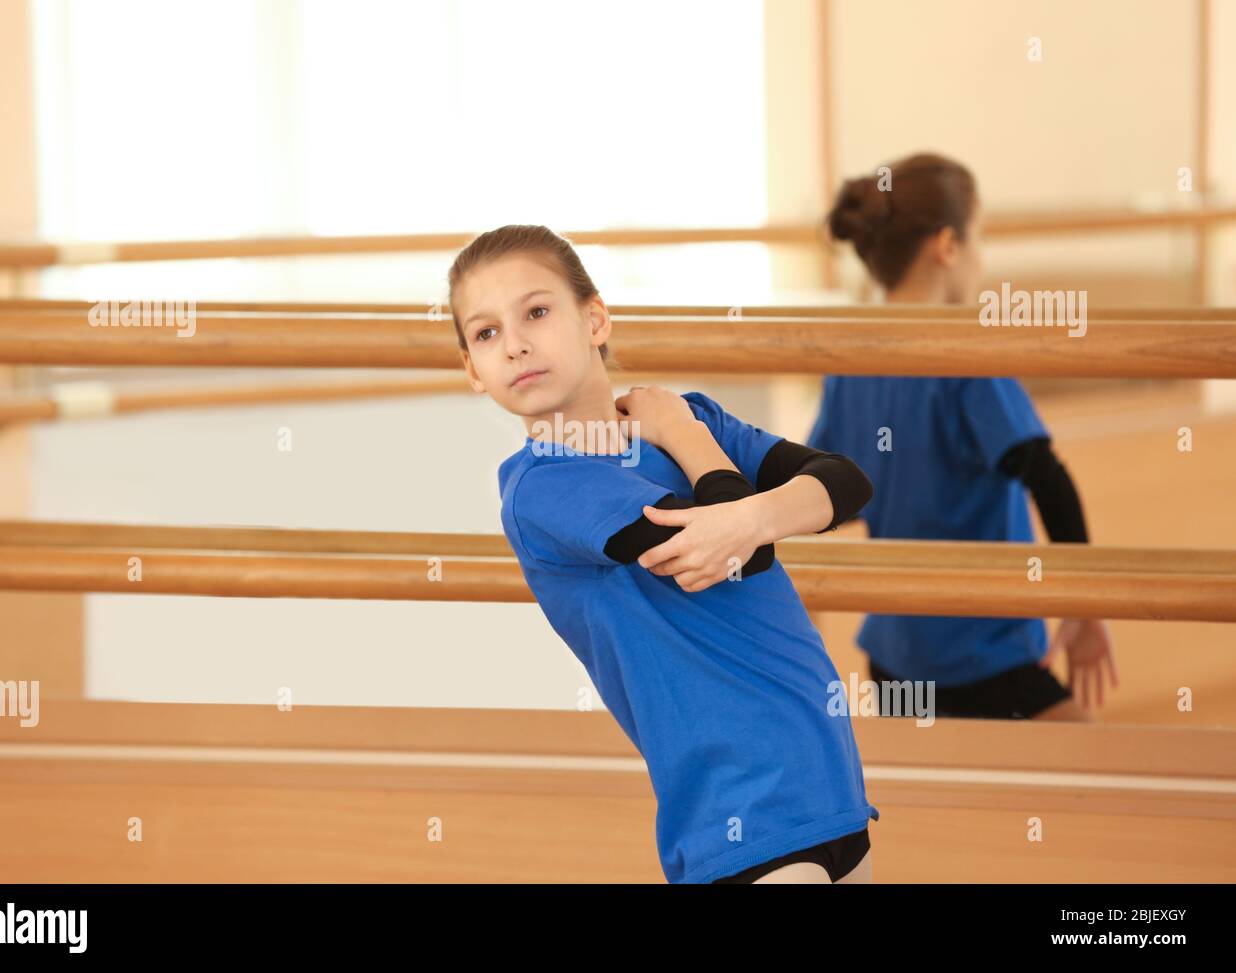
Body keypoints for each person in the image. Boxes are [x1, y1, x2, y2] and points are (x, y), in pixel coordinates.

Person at [449, 223, 878, 883]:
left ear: (594, 318)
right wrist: (687, 437)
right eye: (485, 333)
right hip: (739, 809)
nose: (515, 344)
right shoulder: (541, 485)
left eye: (536, 311)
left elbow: (846, 483)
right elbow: (731, 551)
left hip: (826, 780)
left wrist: (741, 495)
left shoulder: (694, 412)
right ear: (473, 372)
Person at [810, 152, 1118, 720]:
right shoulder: (966, 353)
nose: (982, 256)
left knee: (942, 799)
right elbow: (1045, 475)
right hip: (987, 653)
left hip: (894, 657)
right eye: (980, 237)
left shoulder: (849, 356)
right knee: (1085, 787)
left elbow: (830, 494)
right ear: (948, 246)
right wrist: (1086, 603)